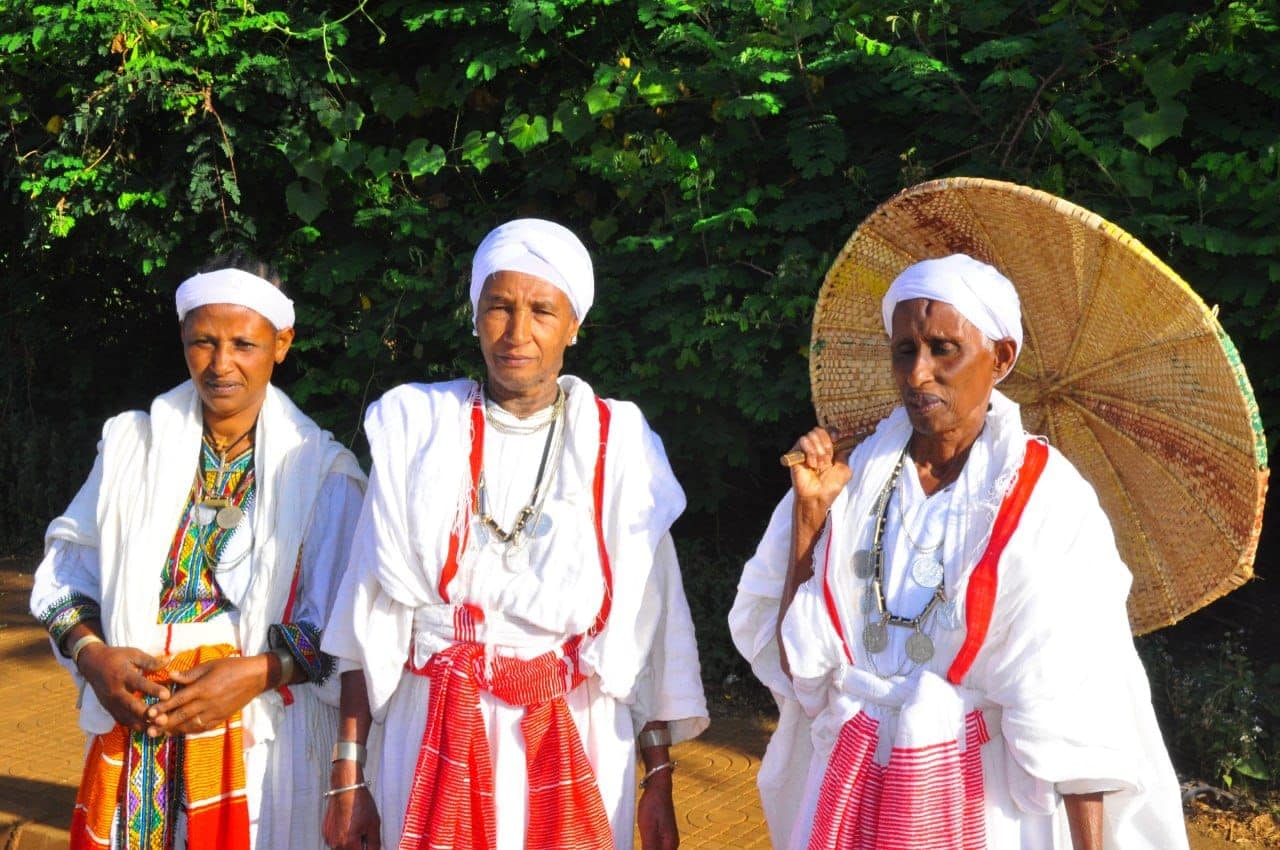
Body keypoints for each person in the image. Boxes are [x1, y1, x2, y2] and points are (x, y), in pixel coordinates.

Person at [729, 254, 1188, 849]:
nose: (918, 374)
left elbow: (1083, 701)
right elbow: (800, 667)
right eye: (904, 350)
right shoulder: (853, 478)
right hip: (850, 797)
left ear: (1000, 359)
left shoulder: (1049, 500)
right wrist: (810, 517)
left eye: (944, 349)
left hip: (984, 804)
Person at [321, 218, 708, 850]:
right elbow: (366, 616)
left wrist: (657, 778)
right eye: (499, 307)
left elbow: (650, 626)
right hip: (432, 724)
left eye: (541, 311)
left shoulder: (620, 444)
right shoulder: (417, 430)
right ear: (475, 315)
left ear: (573, 325)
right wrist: (347, 773)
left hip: (576, 729)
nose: (517, 333)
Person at [30, 253, 366, 850]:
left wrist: (259, 672)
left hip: (261, 734)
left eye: (244, 343)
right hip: (135, 719)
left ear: (281, 344)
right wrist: (94, 659)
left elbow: (344, 623)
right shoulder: (132, 445)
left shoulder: (321, 472)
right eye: (203, 342)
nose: (221, 364)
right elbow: (64, 577)